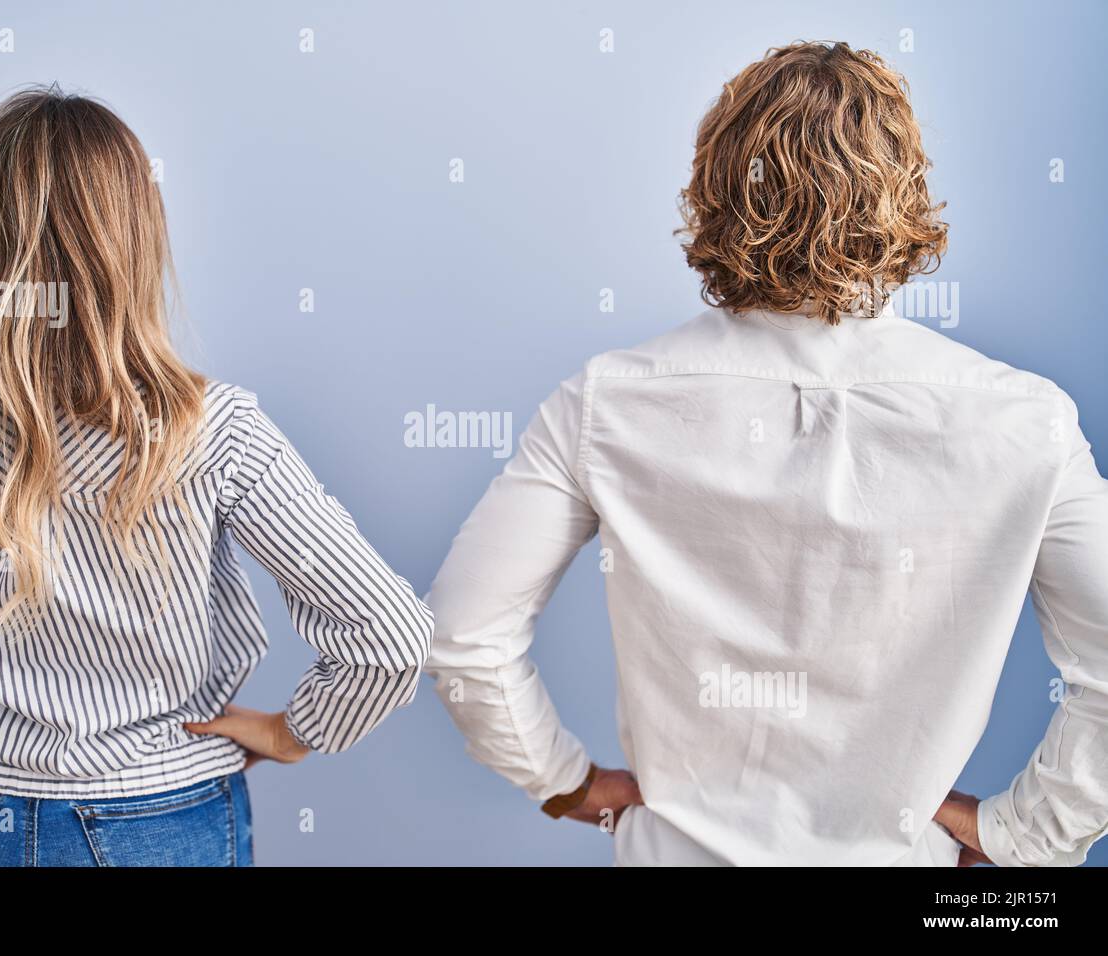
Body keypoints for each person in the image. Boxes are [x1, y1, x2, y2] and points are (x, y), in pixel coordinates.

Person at [423, 41, 1108, 866]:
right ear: (904, 194)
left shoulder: (607, 401)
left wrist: (562, 781)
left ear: (715, 186)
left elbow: (465, 635)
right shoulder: (1023, 418)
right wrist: (1022, 838)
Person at [0, 88, 433, 867]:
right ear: (136, 241)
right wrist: (294, 732)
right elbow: (391, 636)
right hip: (167, 822)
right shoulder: (215, 431)